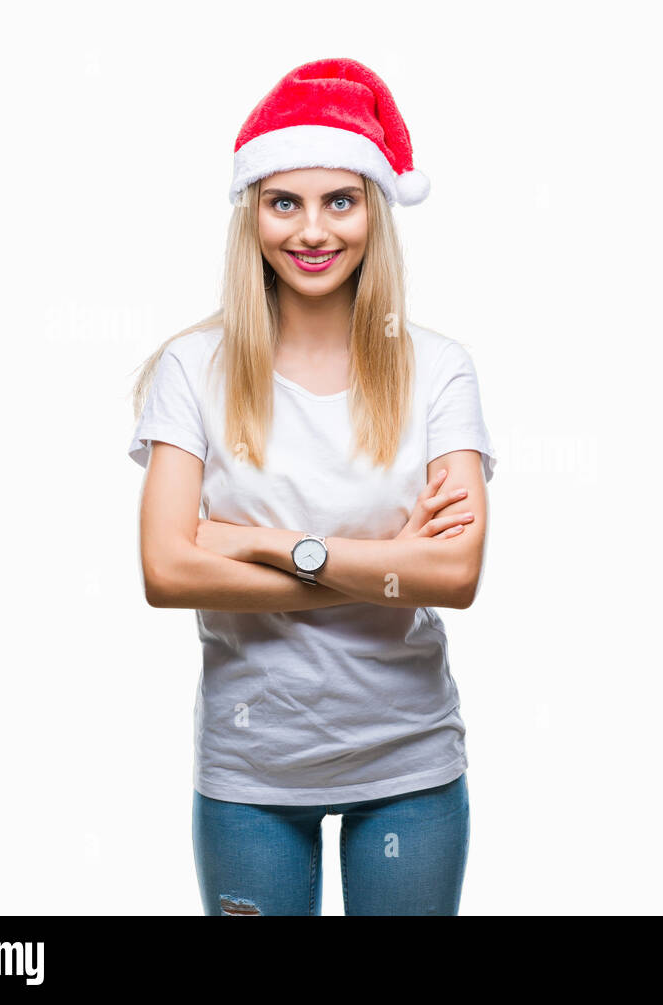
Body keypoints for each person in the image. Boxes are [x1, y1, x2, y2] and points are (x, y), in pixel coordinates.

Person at [126, 58, 496, 916]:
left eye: (340, 199)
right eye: (283, 201)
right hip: (252, 772)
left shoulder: (439, 370)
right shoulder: (192, 369)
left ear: (375, 209)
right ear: (251, 213)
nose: (311, 229)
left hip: (408, 764)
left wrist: (259, 542)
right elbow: (166, 574)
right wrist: (390, 560)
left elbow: (458, 576)